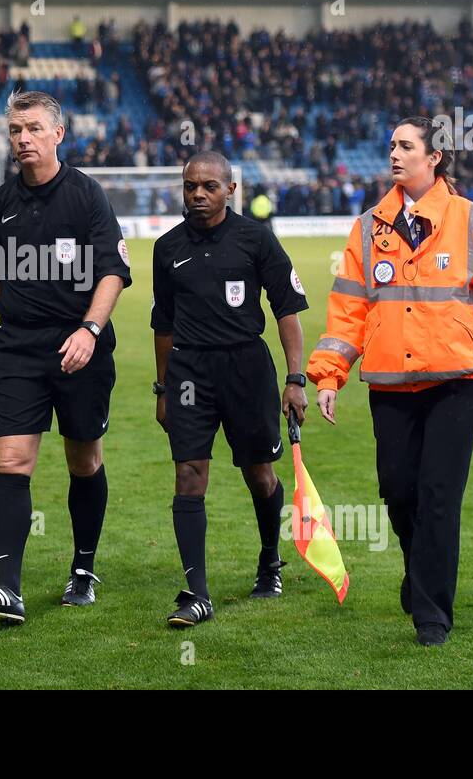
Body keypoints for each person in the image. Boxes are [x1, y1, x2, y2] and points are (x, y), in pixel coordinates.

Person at [307, 116, 473, 647]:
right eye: (391, 144)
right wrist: (329, 373)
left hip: (459, 381)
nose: (394, 153)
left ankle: (432, 612)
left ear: (434, 157)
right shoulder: (369, 227)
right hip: (390, 382)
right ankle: (420, 574)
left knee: (439, 494)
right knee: (398, 491)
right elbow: (348, 307)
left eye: (406, 145)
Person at [0, 90, 131, 626]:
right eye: (15, 130)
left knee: (84, 460)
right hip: (17, 349)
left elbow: (114, 272)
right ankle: (8, 589)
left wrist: (88, 328)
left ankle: (83, 569)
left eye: (33, 128)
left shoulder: (87, 196)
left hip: (81, 347)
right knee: (12, 462)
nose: (23, 138)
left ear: (59, 134)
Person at [151, 153, 309, 627]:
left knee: (259, 474)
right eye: (190, 186)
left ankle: (269, 560)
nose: (198, 195)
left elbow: (287, 310)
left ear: (231, 190)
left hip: (247, 368)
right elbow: (163, 323)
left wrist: (295, 378)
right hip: (188, 374)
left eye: (209, 187)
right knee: (189, 473)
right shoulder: (167, 247)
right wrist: (162, 387)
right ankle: (196, 591)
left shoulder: (256, 239)